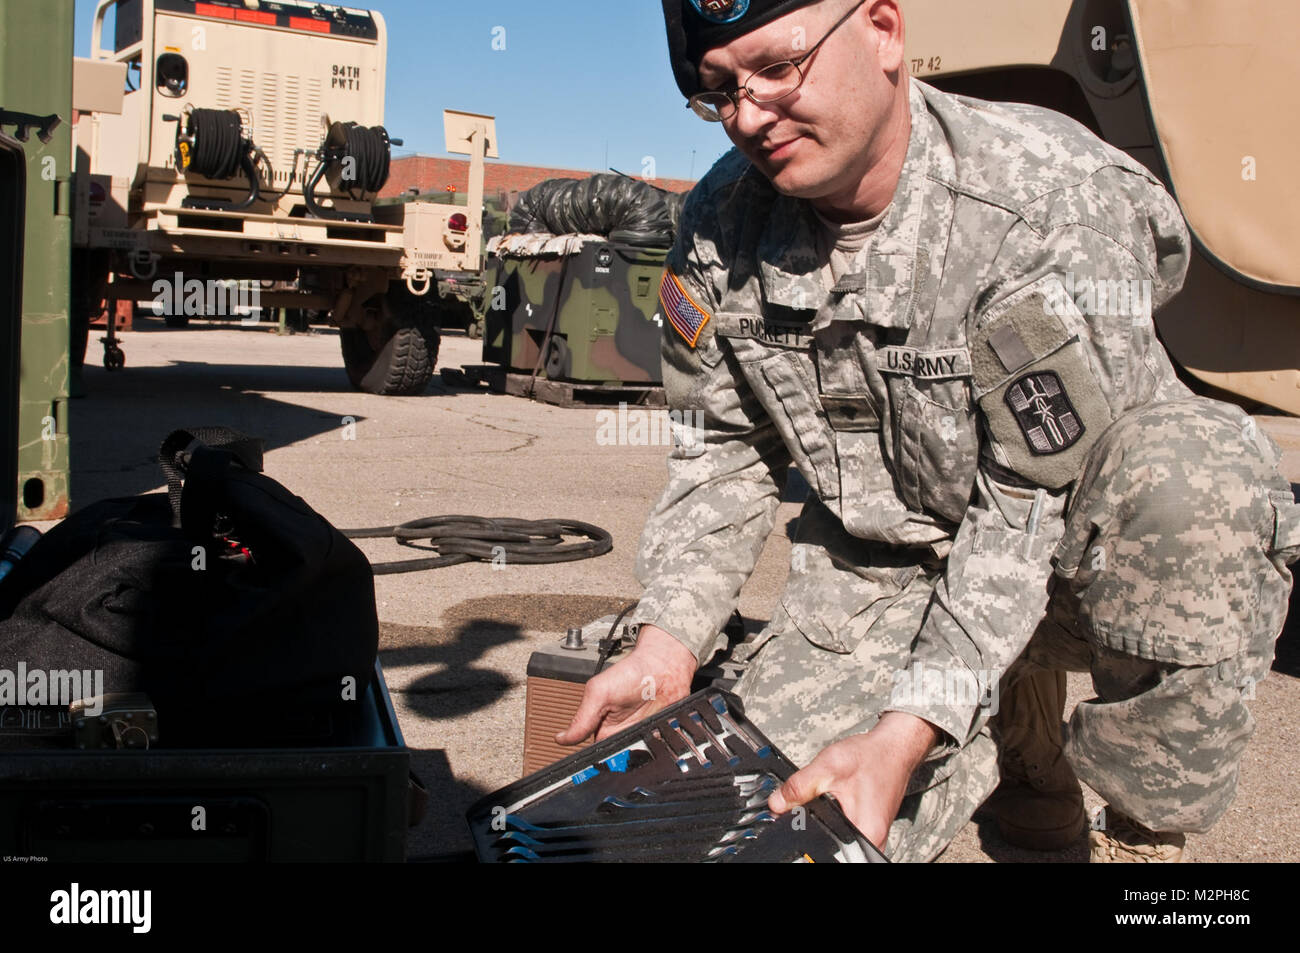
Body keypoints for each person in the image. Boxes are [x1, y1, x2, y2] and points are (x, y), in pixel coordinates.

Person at [558, 0, 1300, 862]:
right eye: (718, 90)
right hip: (889, 571)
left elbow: (1026, 508)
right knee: (774, 830)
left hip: (1074, 566)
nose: (749, 116)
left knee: (1193, 479)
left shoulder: (1047, 201)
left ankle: (1142, 838)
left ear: (882, 29)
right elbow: (723, 448)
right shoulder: (723, 223)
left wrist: (906, 729)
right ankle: (1028, 760)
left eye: (777, 68)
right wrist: (668, 640)